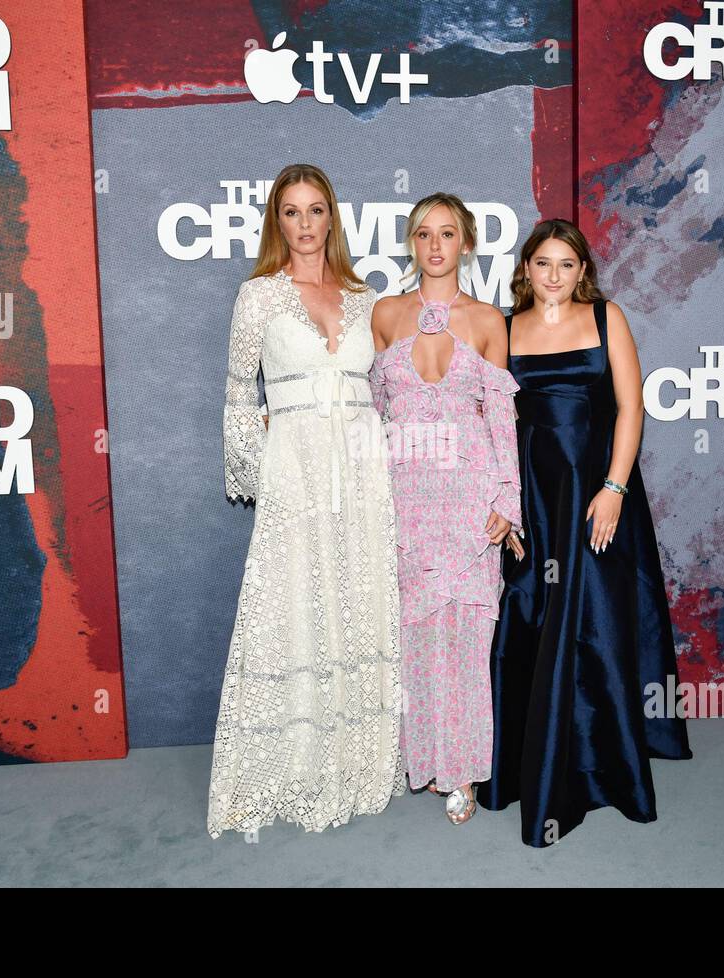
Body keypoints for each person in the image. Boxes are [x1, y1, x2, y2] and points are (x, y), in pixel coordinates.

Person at [479, 218, 693, 846]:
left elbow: (632, 405)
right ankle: (531, 764)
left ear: (583, 272)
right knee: (535, 621)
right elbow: (488, 419)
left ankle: (606, 766)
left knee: (597, 624)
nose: (554, 275)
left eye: (566, 265)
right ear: (525, 270)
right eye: (542, 263)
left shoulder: (607, 319)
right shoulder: (503, 327)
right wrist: (505, 505)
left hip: (597, 497)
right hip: (534, 501)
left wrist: (615, 489)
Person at [207, 163, 404, 838]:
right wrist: (268, 478)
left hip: (363, 465)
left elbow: (385, 391)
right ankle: (290, 760)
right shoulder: (257, 296)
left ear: (332, 218)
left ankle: (358, 758)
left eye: (315, 210)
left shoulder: (365, 296)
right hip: (294, 468)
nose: (304, 224)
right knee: (294, 603)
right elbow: (239, 397)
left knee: (358, 601)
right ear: (276, 222)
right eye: (290, 212)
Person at [369, 192, 521, 825]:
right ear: (412, 243)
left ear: (467, 243)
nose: (436, 246)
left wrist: (507, 501)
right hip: (406, 498)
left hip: (468, 499)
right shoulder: (384, 315)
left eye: (448, 233)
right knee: (413, 641)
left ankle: (461, 771)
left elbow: (503, 421)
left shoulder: (488, 320)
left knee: (465, 640)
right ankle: (422, 760)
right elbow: (373, 415)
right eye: (424, 234)